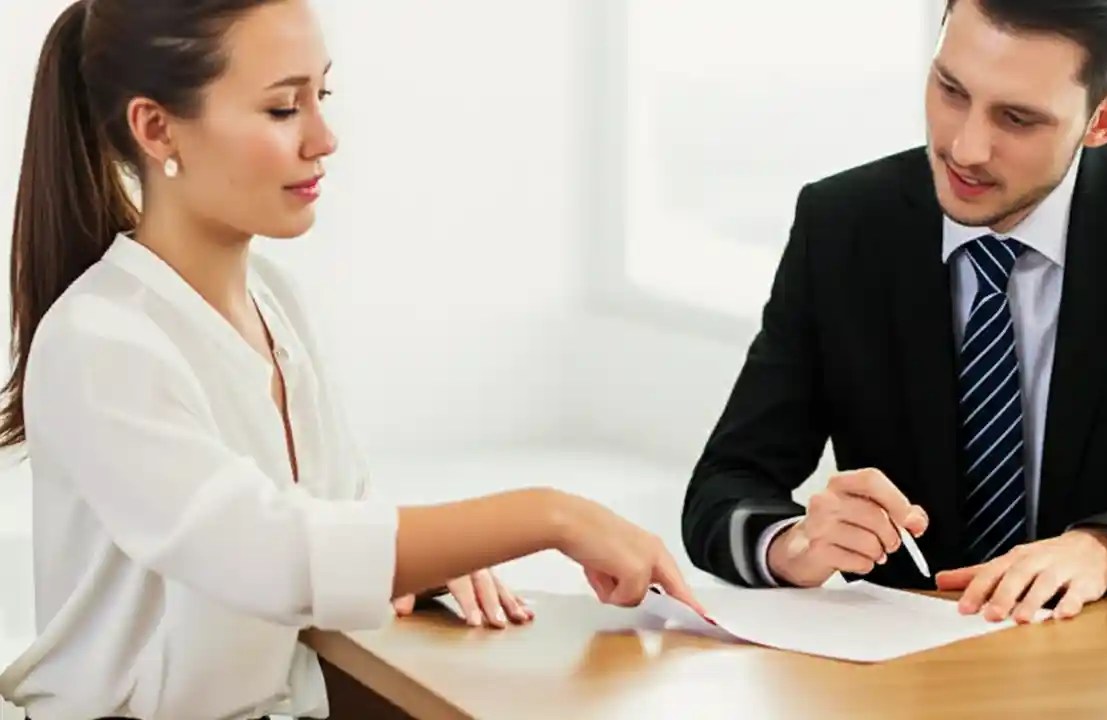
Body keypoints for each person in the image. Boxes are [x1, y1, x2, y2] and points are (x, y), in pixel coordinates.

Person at [0, 1, 701, 718]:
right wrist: (550, 515)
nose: (324, 139)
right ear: (156, 127)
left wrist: (423, 566)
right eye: (282, 109)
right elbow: (267, 554)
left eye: (320, 97)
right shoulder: (101, 341)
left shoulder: (275, 304)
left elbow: (331, 523)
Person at [683, 0, 1107, 625]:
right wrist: (793, 543)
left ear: (1101, 120)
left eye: (1018, 119)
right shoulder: (843, 225)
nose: (965, 148)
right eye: (949, 89)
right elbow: (724, 488)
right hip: (903, 669)